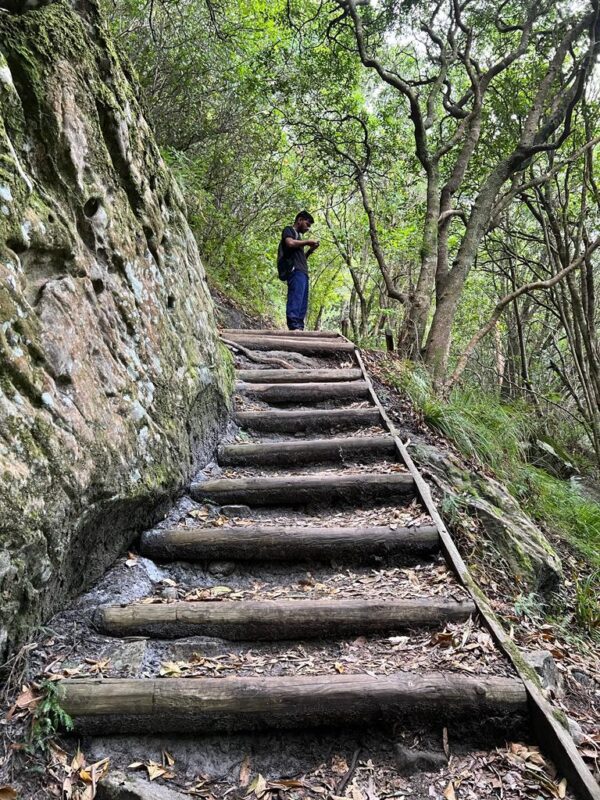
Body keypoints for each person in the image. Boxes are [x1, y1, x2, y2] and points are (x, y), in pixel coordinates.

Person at [279, 211, 319, 330]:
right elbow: (289, 243)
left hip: (302, 272)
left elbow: (301, 258)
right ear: (300, 220)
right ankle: (293, 325)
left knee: (302, 301)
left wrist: (310, 251)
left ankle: (299, 327)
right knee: (295, 297)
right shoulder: (289, 230)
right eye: (307, 224)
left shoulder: (299, 239)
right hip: (295, 271)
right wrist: (307, 242)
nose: (308, 228)